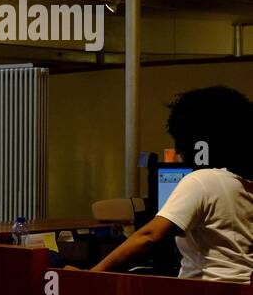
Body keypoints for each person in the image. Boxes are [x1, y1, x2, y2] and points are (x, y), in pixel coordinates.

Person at [91, 86, 253, 281]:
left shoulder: (203, 180)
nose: (178, 150)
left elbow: (149, 237)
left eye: (180, 140)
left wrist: (89, 276)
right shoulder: (242, 183)